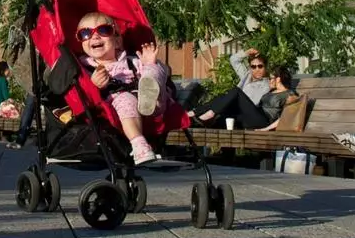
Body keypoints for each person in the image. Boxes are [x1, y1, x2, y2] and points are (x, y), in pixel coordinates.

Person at [76, 11, 171, 165]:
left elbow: (161, 72)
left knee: (155, 68)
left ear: (118, 40)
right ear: (81, 42)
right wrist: (93, 85)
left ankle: (149, 91)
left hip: (150, 99)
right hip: (119, 102)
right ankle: (140, 145)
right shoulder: (87, 70)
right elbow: (83, 96)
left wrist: (149, 63)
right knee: (125, 99)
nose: (94, 36)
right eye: (85, 33)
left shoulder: (131, 61)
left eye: (103, 30)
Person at [189, 65, 299, 130]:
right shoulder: (272, 91)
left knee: (236, 91)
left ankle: (207, 114)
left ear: (278, 79)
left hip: (264, 121)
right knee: (226, 102)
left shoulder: (290, 94)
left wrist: (266, 129)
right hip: (256, 115)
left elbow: (286, 118)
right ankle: (198, 121)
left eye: (271, 78)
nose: (269, 80)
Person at [187, 48, 270, 126]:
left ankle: (209, 114)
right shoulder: (247, 75)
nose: (257, 69)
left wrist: (232, 102)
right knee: (222, 98)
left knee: (236, 91)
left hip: (252, 114)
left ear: (265, 67)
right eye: (253, 67)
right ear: (250, 68)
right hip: (238, 112)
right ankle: (195, 113)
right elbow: (234, 60)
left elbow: (254, 103)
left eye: (260, 66)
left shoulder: (267, 84)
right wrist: (246, 53)